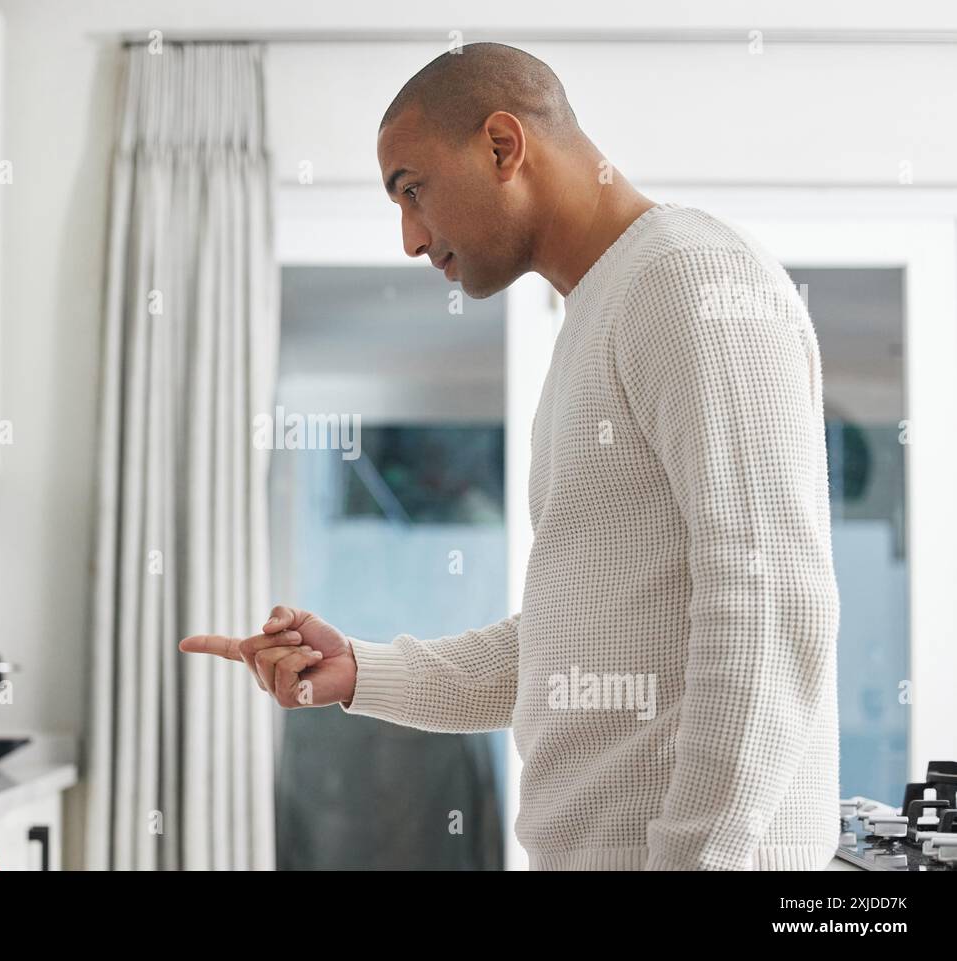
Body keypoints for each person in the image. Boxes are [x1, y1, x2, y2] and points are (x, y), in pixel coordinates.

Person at [181, 42, 840, 871]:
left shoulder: (686, 276)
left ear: (502, 146)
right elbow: (574, 646)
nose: (411, 239)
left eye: (412, 189)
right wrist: (360, 672)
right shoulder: (601, 311)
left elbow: (773, 601)